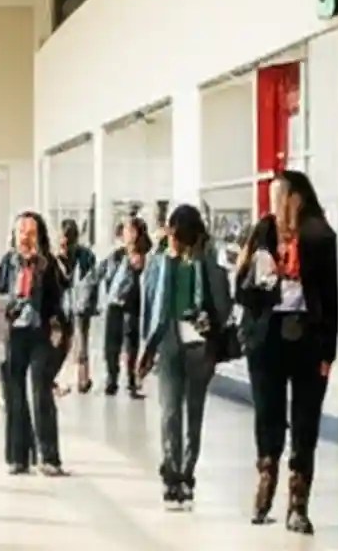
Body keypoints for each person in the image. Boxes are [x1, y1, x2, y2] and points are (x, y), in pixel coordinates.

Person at [235, 170, 338, 535]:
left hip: (308, 337)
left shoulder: (320, 237)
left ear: (296, 197)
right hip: (266, 337)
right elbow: (240, 289)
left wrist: (329, 350)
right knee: (268, 412)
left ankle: (298, 503)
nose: (273, 202)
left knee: (306, 419)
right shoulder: (262, 232)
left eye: (279, 194)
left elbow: (330, 298)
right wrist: (260, 278)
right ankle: (266, 482)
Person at [136, 204, 230, 510]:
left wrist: (205, 258)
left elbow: (223, 305)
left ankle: (187, 473)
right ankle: (171, 473)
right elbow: (149, 307)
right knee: (169, 412)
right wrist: (145, 348)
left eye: (175, 235)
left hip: (199, 346)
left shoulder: (207, 266)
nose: (170, 240)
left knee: (193, 413)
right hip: (169, 343)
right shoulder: (159, 263)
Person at [0, 211, 67, 476]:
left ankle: (48, 456)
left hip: (40, 333)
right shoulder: (7, 263)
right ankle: (17, 456)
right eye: (21, 231)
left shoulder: (48, 265)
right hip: (13, 333)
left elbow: (57, 301)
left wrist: (59, 331)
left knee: (40, 391)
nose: (25, 237)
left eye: (31, 232)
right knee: (14, 395)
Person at [98, 217, 152, 398]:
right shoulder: (117, 254)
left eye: (129, 230)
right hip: (114, 303)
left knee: (131, 343)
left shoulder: (144, 254)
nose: (126, 233)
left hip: (132, 304)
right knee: (111, 344)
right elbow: (105, 274)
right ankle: (111, 379)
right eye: (125, 230)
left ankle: (131, 380)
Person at [56, 219, 98, 394]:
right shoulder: (57, 257)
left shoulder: (86, 256)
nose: (66, 246)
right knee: (63, 343)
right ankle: (61, 379)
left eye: (69, 241)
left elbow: (91, 281)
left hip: (80, 305)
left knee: (81, 342)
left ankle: (82, 380)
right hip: (64, 305)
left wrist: (89, 303)